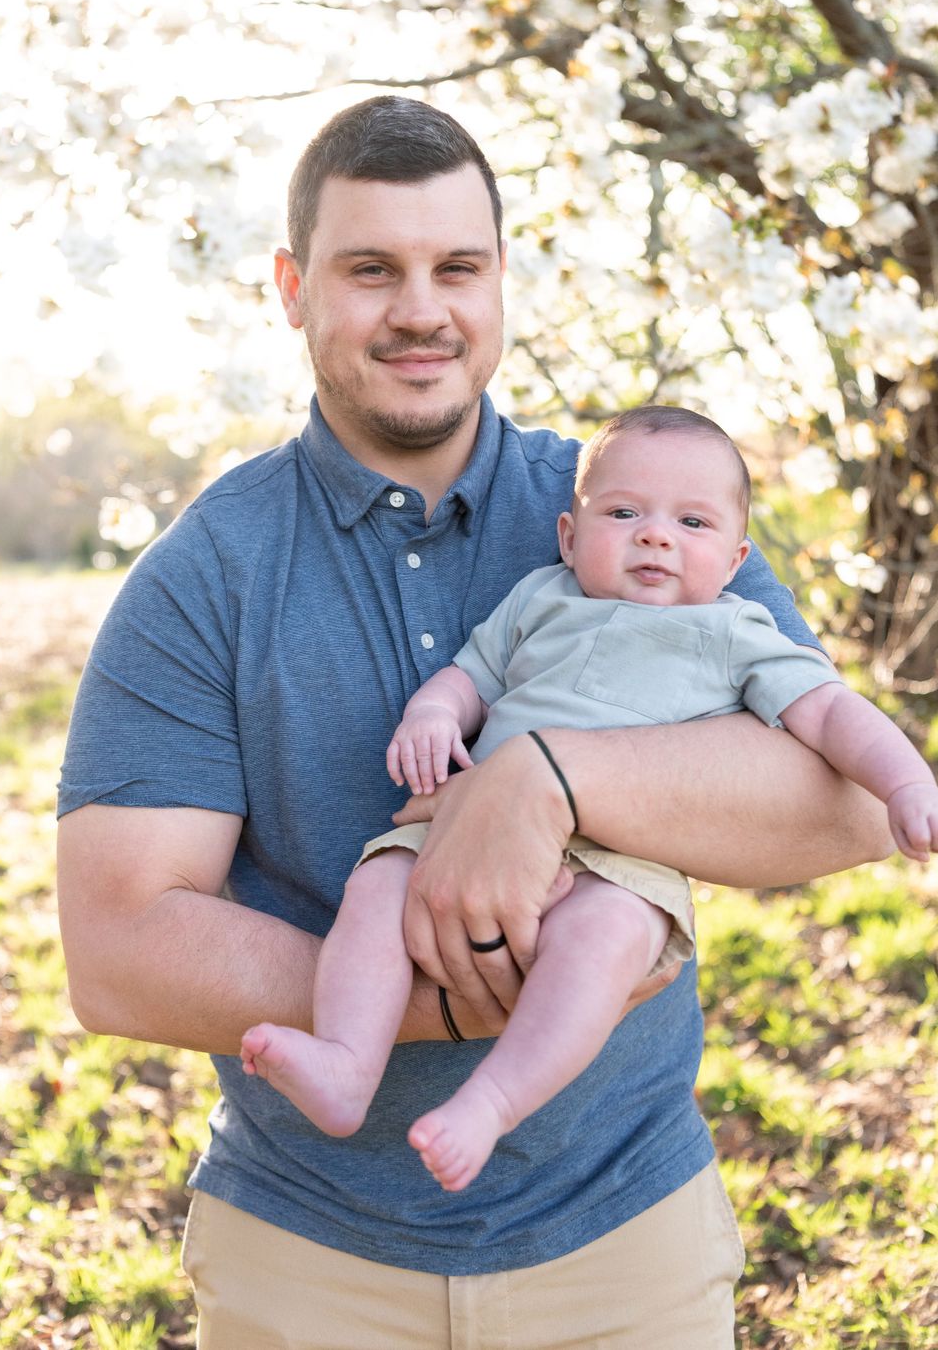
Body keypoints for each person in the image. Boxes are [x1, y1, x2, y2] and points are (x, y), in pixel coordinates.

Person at [57, 95, 894, 1349]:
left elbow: (852, 799)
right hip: (308, 1257)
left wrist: (547, 777)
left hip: (624, 1236)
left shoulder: (638, 505)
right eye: (369, 270)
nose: (420, 310)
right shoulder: (207, 572)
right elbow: (118, 947)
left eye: (456, 267)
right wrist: (457, 1000)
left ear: (500, 280)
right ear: (292, 289)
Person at [239, 406, 937, 1193]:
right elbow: (470, 677)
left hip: (619, 860)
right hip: (468, 829)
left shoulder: (736, 630)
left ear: (736, 559)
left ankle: (492, 1102)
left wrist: (907, 782)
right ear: (569, 537)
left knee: (603, 941)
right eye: (625, 513)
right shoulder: (541, 598)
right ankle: (346, 1064)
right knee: (375, 885)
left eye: (692, 522)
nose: (656, 537)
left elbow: (833, 715)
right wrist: (433, 714)